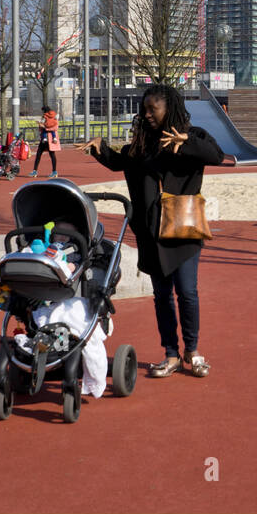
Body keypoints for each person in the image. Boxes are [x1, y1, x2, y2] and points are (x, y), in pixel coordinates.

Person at [76, 84, 225, 378]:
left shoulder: (190, 137)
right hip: (150, 230)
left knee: (187, 292)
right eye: (144, 109)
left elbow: (216, 155)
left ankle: (192, 351)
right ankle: (170, 353)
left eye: (151, 109)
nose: (145, 115)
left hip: (182, 226)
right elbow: (121, 162)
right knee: (161, 295)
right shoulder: (142, 144)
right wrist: (100, 149)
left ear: (167, 108)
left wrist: (187, 144)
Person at [29, 105, 59, 178]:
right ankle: (54, 171)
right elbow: (56, 127)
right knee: (52, 155)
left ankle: (35, 171)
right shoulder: (54, 116)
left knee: (39, 155)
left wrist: (43, 126)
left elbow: (43, 128)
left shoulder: (44, 117)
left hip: (45, 139)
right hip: (51, 139)